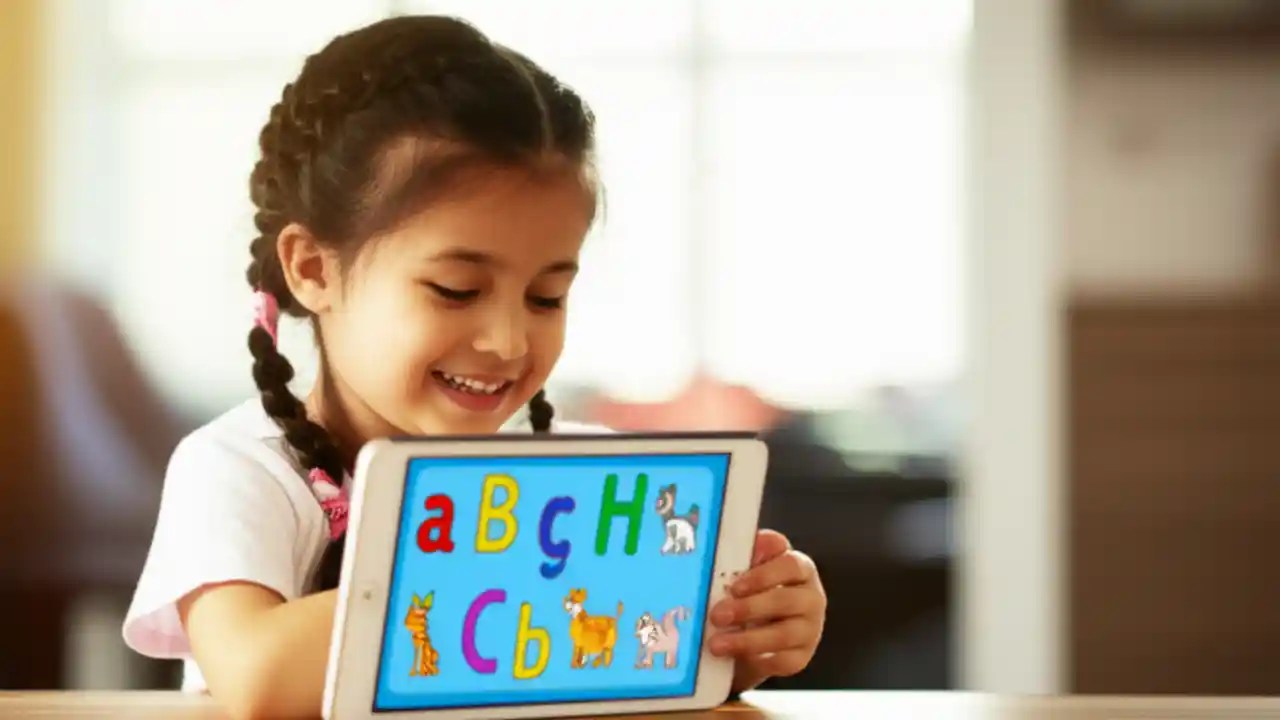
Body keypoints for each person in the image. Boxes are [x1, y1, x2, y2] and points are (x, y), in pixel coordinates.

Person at [121, 15, 826, 718]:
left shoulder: (591, 478)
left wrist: (743, 636)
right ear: (312, 270)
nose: (510, 341)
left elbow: (643, 660)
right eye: (456, 290)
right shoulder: (240, 471)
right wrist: (550, 581)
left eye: (546, 296)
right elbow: (262, 680)